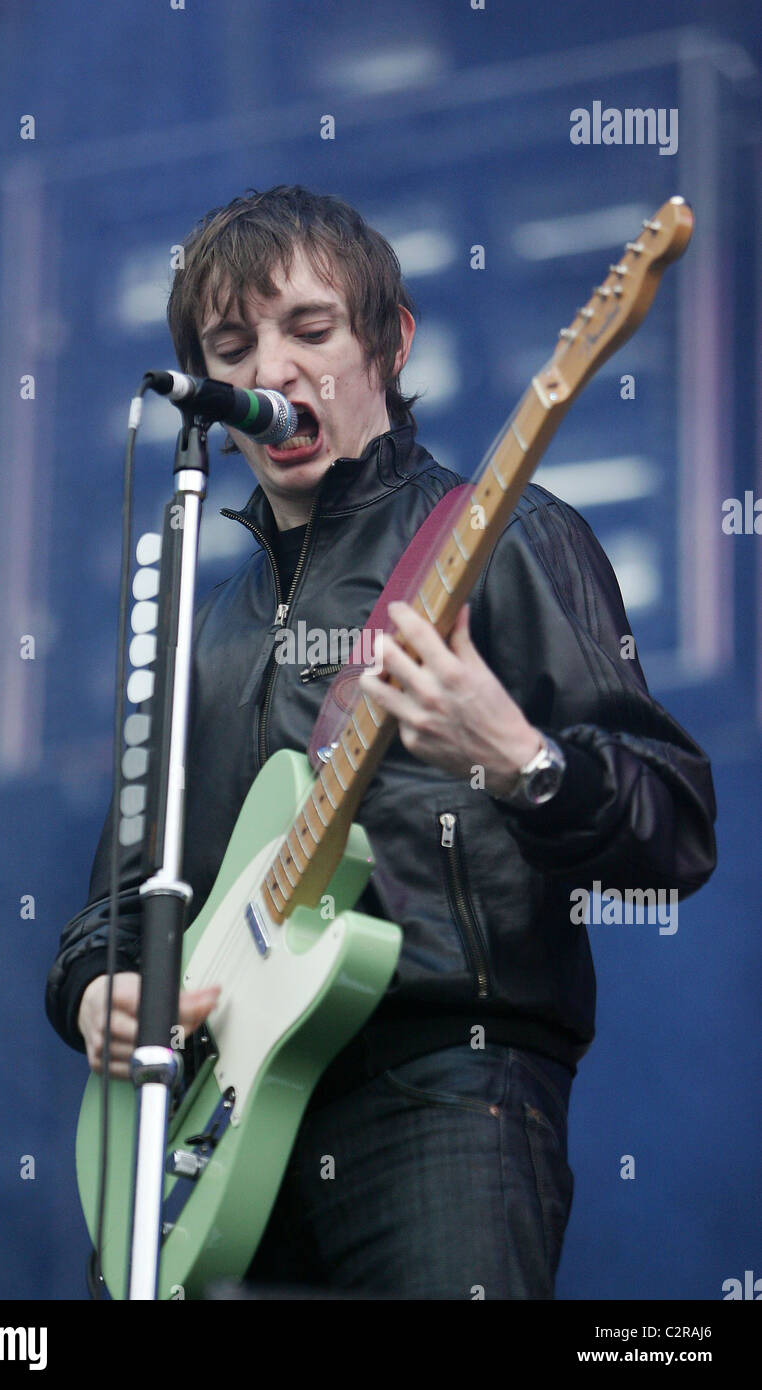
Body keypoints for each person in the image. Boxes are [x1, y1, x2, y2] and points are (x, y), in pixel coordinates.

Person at [46, 184, 717, 1299]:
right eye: (232, 349)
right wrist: (95, 993)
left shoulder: (510, 538)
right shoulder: (205, 630)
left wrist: (519, 758)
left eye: (309, 330)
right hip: (215, 1129)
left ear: (389, 342)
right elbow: (120, 903)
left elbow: (674, 830)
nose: (272, 369)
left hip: (442, 1098)